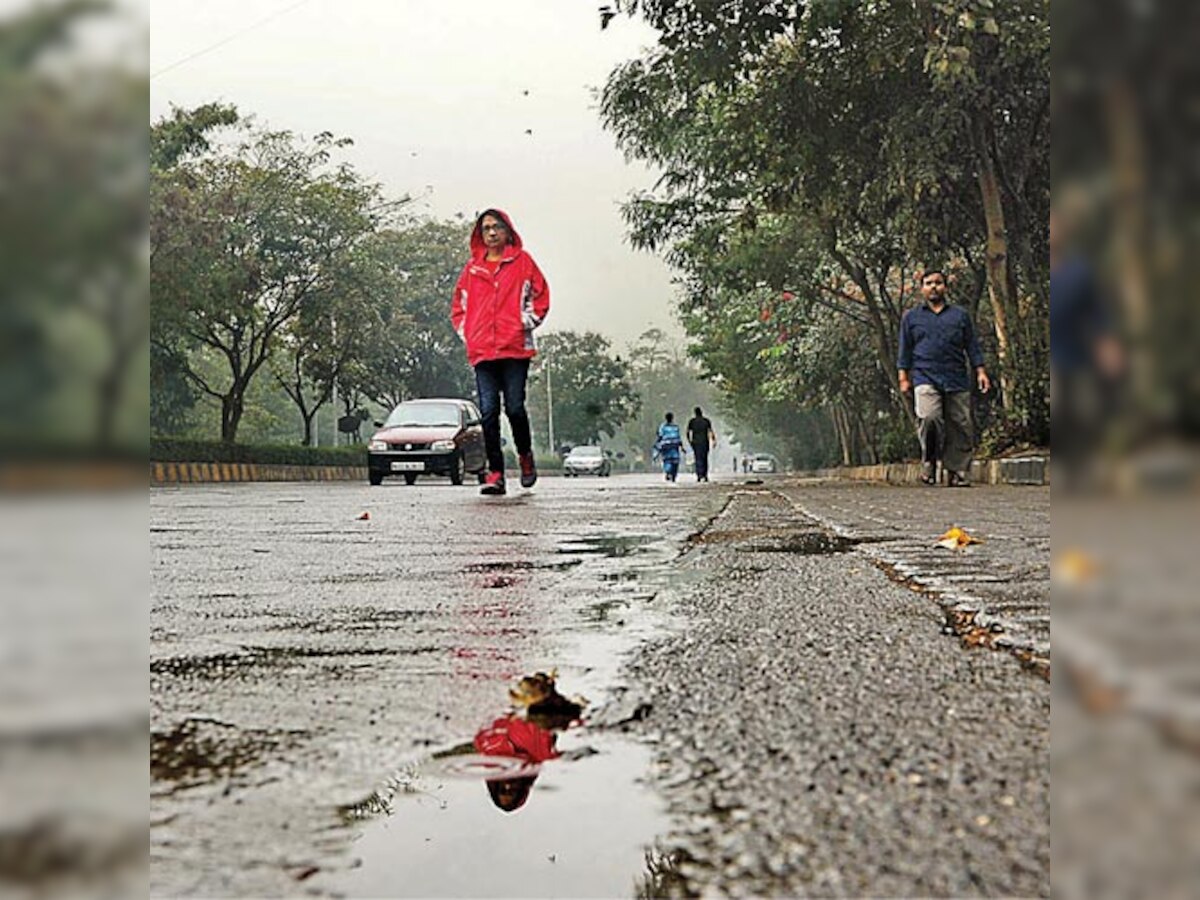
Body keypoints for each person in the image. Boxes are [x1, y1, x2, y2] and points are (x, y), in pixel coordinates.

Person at [451, 208, 549, 496]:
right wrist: (468, 334)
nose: (491, 232)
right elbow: (458, 308)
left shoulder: (523, 262)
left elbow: (541, 297)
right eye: (486, 228)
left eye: (497, 227)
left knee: (515, 408)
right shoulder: (472, 269)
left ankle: (525, 456)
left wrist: (523, 323)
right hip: (482, 352)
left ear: (508, 231)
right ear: (480, 235)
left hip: (515, 349)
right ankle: (495, 473)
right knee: (489, 411)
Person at [897, 268, 990, 486]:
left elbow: (972, 346)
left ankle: (957, 471)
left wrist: (981, 371)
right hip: (924, 376)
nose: (934, 287)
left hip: (956, 376)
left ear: (945, 287)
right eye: (929, 283)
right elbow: (904, 350)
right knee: (929, 418)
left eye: (938, 283)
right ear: (922, 288)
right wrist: (903, 377)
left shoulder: (960, 315)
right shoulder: (911, 318)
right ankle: (929, 461)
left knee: (960, 424)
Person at [653, 412, 686, 482]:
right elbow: (678, 437)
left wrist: (657, 444)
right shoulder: (675, 427)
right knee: (675, 460)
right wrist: (682, 447)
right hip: (675, 445)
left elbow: (660, 436)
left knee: (667, 460)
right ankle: (673, 474)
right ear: (672, 418)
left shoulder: (663, 427)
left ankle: (668, 472)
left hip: (666, 446)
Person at [686, 407, 716, 482]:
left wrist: (689, 441)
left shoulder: (692, 421)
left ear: (695, 413)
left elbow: (687, 432)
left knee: (698, 458)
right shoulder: (706, 421)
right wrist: (714, 440)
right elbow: (711, 431)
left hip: (696, 442)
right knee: (704, 458)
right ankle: (705, 475)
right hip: (705, 442)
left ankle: (699, 475)